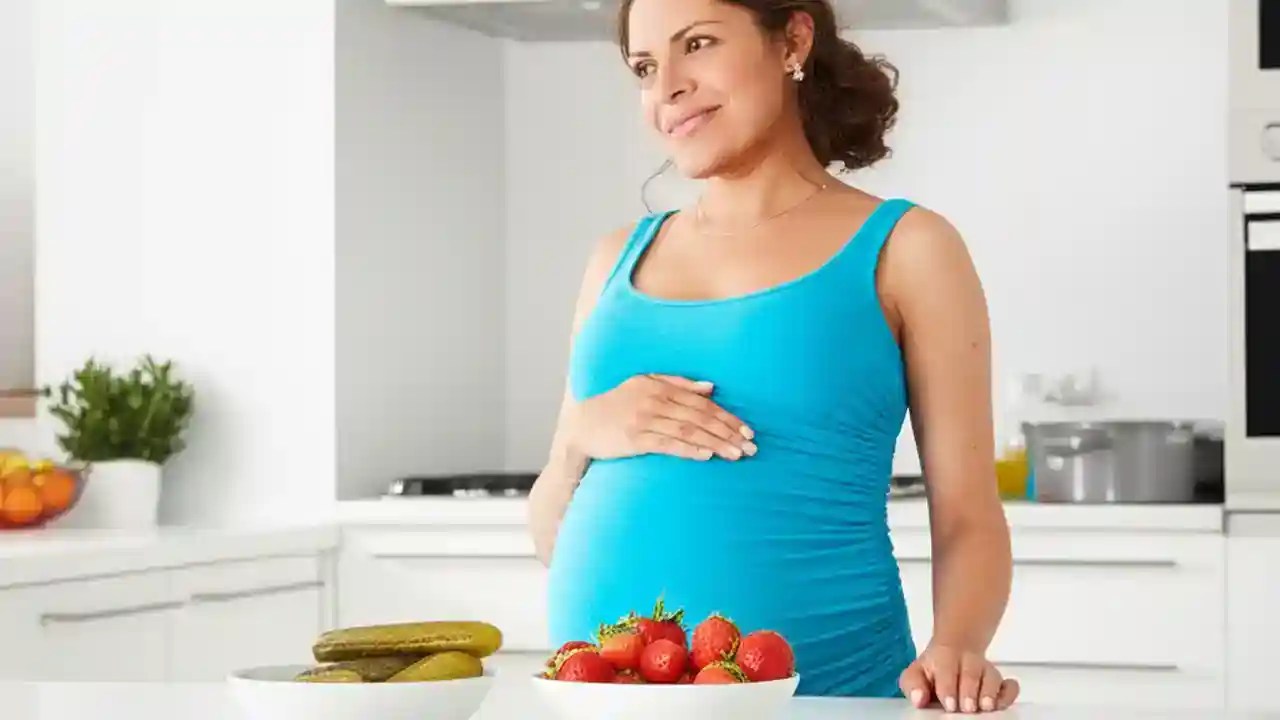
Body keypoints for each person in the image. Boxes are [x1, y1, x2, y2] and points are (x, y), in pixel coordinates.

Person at [527, 0, 1018, 712]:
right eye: (643, 66)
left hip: (829, 694)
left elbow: (969, 511)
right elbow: (551, 534)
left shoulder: (908, 247)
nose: (666, 86)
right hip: (608, 697)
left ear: (791, 40)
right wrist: (579, 438)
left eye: (696, 44)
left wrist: (960, 644)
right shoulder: (613, 260)